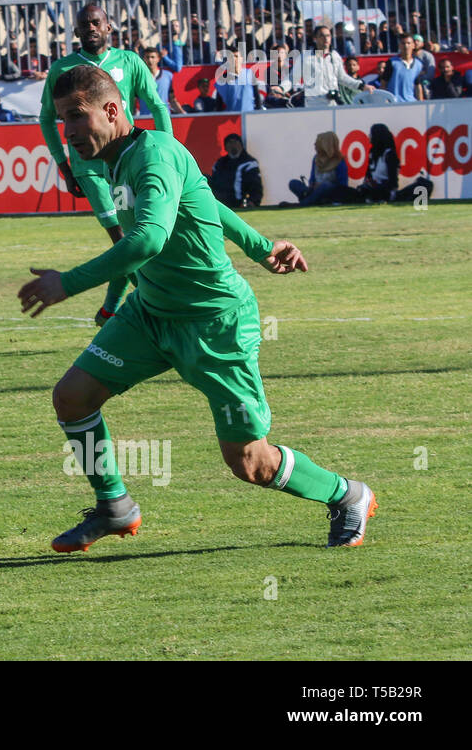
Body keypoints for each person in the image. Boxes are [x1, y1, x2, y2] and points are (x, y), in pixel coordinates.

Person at [19, 64, 375, 551]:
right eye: (62, 119)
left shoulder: (154, 155)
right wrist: (261, 245)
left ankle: (348, 495)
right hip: (150, 314)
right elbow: (203, 200)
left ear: (111, 109)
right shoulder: (116, 158)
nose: (70, 131)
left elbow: (146, 240)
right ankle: (115, 507)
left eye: (77, 117)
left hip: (214, 324)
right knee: (72, 398)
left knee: (250, 462)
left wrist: (70, 282)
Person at [41, 4, 173, 325]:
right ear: (75, 31)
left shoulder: (128, 62)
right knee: (121, 237)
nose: (90, 28)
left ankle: (112, 309)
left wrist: (167, 150)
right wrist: (64, 165)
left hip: (125, 160)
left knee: (132, 237)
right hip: (89, 167)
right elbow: (46, 118)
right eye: (84, 24)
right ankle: (147, 304)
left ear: (109, 27)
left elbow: (156, 105)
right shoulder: (63, 69)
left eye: (96, 22)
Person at [354, 123, 433, 202]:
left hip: (386, 192)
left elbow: (392, 183)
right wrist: (367, 184)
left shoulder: (389, 155)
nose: (369, 137)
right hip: (373, 190)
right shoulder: (372, 153)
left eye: (371, 134)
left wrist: (377, 187)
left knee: (424, 185)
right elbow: (368, 176)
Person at [289, 131, 351, 205]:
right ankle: (311, 199)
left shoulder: (339, 161)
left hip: (330, 193)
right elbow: (312, 178)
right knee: (293, 183)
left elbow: (343, 186)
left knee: (325, 186)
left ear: (325, 144)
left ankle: (305, 202)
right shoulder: (316, 158)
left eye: (317, 142)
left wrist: (322, 186)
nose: (315, 144)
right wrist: (312, 185)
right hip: (315, 191)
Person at [210, 133, 262, 208]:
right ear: (225, 147)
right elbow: (214, 183)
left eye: (235, 142)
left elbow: (256, 186)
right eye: (229, 143)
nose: (232, 145)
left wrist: (253, 201)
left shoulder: (249, 163)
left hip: (238, 203)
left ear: (241, 145)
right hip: (220, 203)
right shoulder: (219, 163)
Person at [386, 34, 426, 101]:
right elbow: (384, 83)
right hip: (394, 103)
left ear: (413, 45)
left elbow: (418, 86)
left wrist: (420, 103)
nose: (406, 46)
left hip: (411, 102)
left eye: (408, 43)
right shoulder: (392, 62)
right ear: (399, 46)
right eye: (403, 43)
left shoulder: (418, 64)